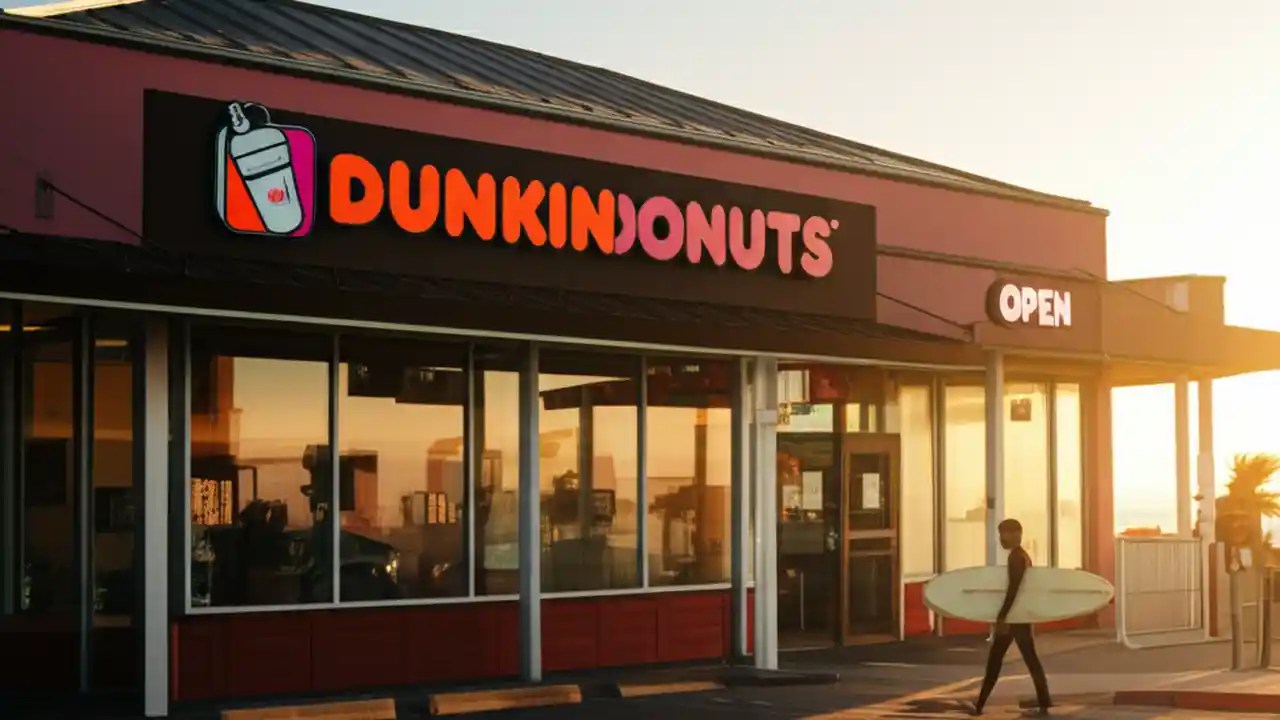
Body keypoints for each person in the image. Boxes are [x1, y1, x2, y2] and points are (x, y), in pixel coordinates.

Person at [971, 518, 1052, 716]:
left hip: (1014, 618)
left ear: (1016, 533)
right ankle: (1044, 701)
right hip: (1019, 617)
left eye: (1003, 534)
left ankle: (980, 705)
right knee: (1027, 659)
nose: (1001, 538)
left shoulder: (1016, 557)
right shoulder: (1021, 555)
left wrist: (1002, 617)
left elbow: (1013, 589)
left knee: (996, 661)